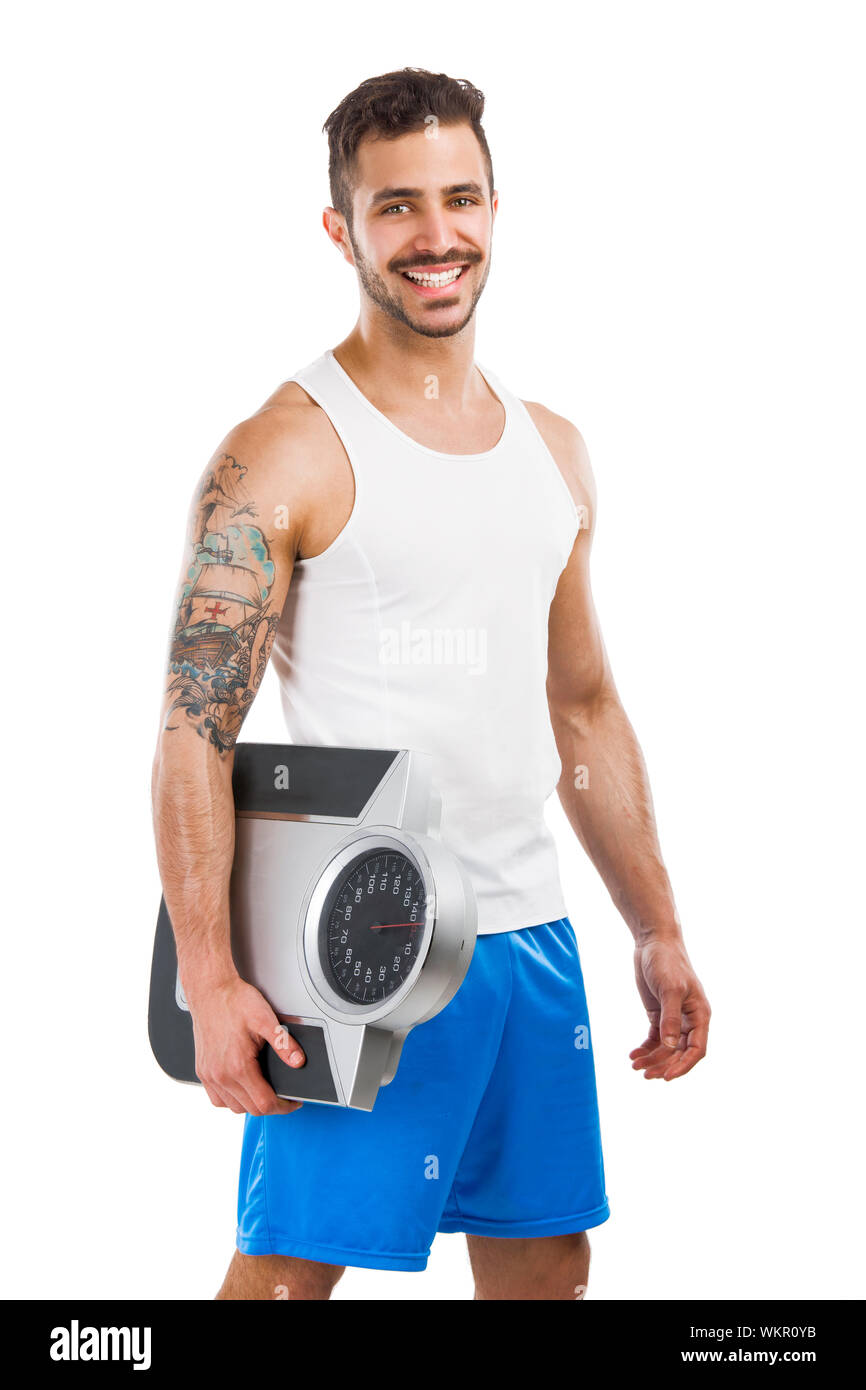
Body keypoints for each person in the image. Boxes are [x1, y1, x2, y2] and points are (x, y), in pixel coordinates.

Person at [151, 67, 711, 1301]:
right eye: (396, 206)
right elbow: (195, 731)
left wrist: (655, 927)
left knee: (544, 1267)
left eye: (459, 199)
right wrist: (207, 972)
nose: (434, 235)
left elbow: (581, 708)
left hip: (530, 941)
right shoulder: (282, 451)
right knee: (290, 1276)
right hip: (356, 948)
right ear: (340, 228)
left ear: (496, 209)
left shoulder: (550, 448)